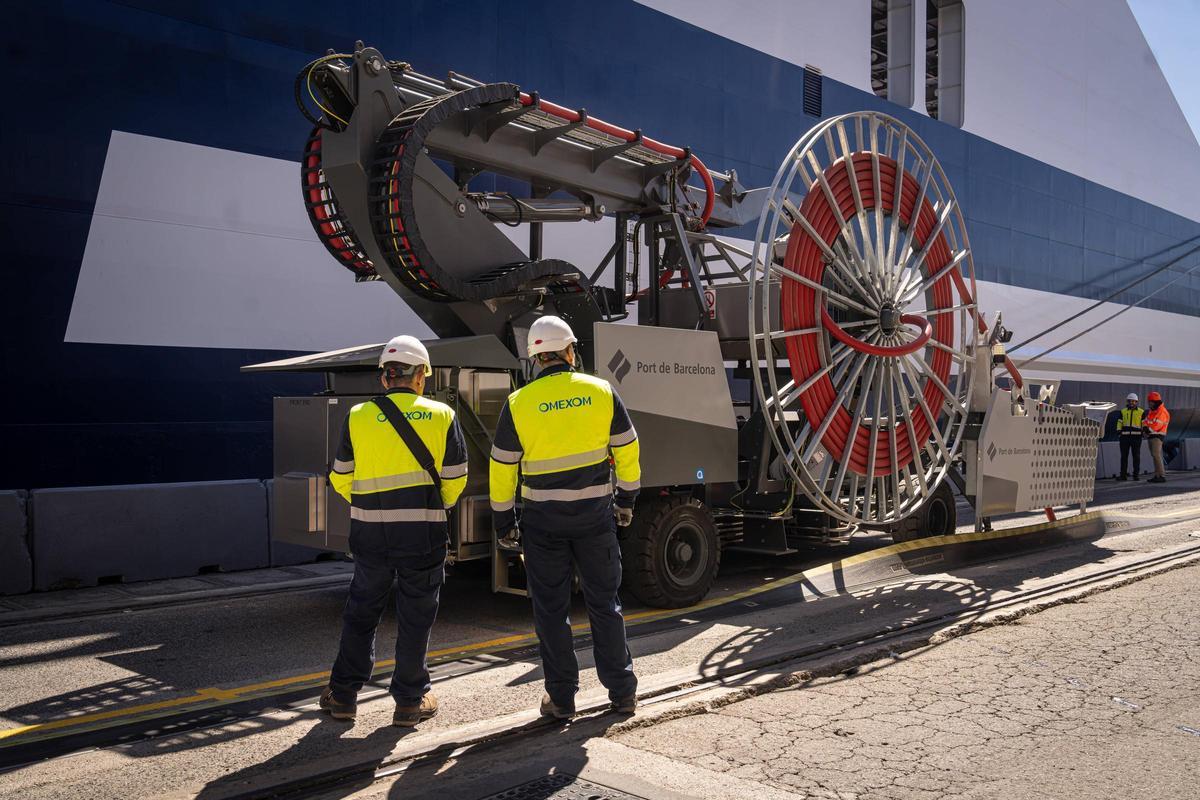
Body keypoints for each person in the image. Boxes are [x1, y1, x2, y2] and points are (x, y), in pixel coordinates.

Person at [489, 315, 640, 719]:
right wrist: (626, 500)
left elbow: (501, 469)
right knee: (604, 605)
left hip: (543, 525)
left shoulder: (518, 403)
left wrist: (504, 522)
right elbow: (628, 450)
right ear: (571, 352)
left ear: (535, 358)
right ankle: (622, 692)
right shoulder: (601, 391)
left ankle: (561, 699)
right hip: (595, 520)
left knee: (551, 612)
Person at [319, 335, 468, 726]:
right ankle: (408, 702)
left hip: (370, 535)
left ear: (385, 377)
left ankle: (343, 696)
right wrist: (435, 505)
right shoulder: (442, 415)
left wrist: (367, 504)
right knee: (416, 617)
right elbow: (456, 478)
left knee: (361, 613)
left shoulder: (358, 416)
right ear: (421, 376)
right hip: (422, 535)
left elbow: (340, 476)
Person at [1143, 390, 1171, 483]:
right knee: (1155, 456)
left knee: (1156, 455)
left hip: (1157, 436)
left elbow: (1157, 425)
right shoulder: (1153, 411)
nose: (1149, 404)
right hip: (1151, 435)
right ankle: (1157, 475)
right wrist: (1145, 428)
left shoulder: (1162, 412)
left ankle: (1161, 475)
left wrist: (1147, 429)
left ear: (1154, 402)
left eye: (1150, 402)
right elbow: (1146, 421)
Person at [1116, 392, 1144, 481]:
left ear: (1136, 402)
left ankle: (1136, 475)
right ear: (1127, 402)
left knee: (1136, 457)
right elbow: (1119, 422)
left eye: (1133, 401)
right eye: (1130, 401)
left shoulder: (1141, 412)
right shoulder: (1123, 411)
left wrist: (1143, 433)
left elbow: (1144, 423)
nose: (1131, 403)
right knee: (1124, 457)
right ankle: (1123, 475)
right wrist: (1119, 432)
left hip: (1137, 438)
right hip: (1124, 438)